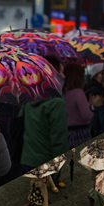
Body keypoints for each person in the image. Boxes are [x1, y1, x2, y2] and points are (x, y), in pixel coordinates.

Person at [19, 56, 69, 186]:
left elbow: (20, 124)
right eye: (61, 71)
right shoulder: (56, 103)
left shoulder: (30, 98)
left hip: (27, 159)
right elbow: (59, 140)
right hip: (46, 162)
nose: (64, 75)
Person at [63, 63, 93, 149]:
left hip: (65, 132)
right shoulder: (78, 93)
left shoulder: (62, 93)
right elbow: (87, 116)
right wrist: (91, 105)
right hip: (80, 133)